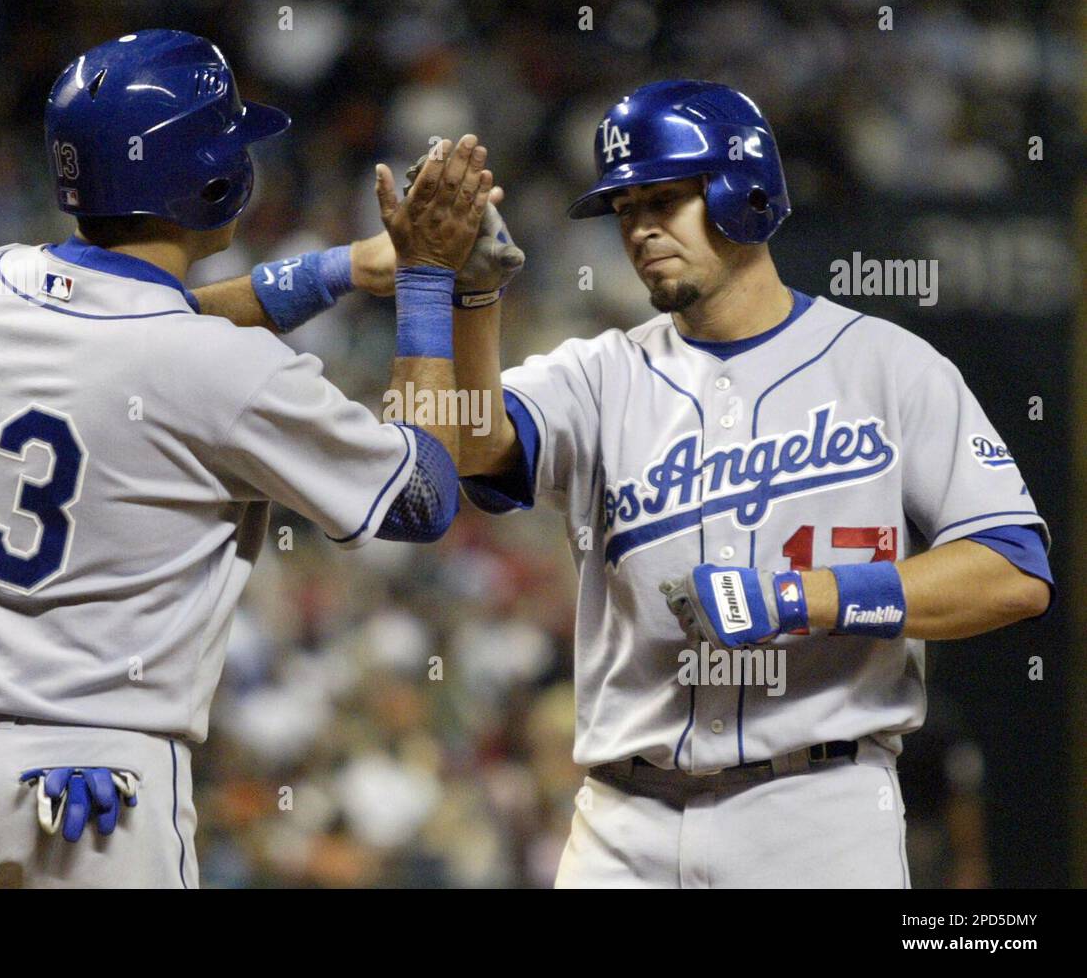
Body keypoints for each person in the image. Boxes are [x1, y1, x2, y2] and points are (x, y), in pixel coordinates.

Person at [0, 29, 498, 888]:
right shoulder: (225, 374)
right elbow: (422, 495)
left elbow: (154, 325)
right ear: (217, 179)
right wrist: (422, 280)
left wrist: (340, 269)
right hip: (84, 797)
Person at [451, 80, 1053, 888]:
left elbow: (1014, 568)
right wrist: (469, 299)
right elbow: (471, 448)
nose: (641, 229)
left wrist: (802, 599)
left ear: (746, 192)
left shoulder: (888, 367)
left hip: (821, 812)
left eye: (666, 198)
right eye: (625, 207)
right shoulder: (596, 375)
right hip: (623, 824)